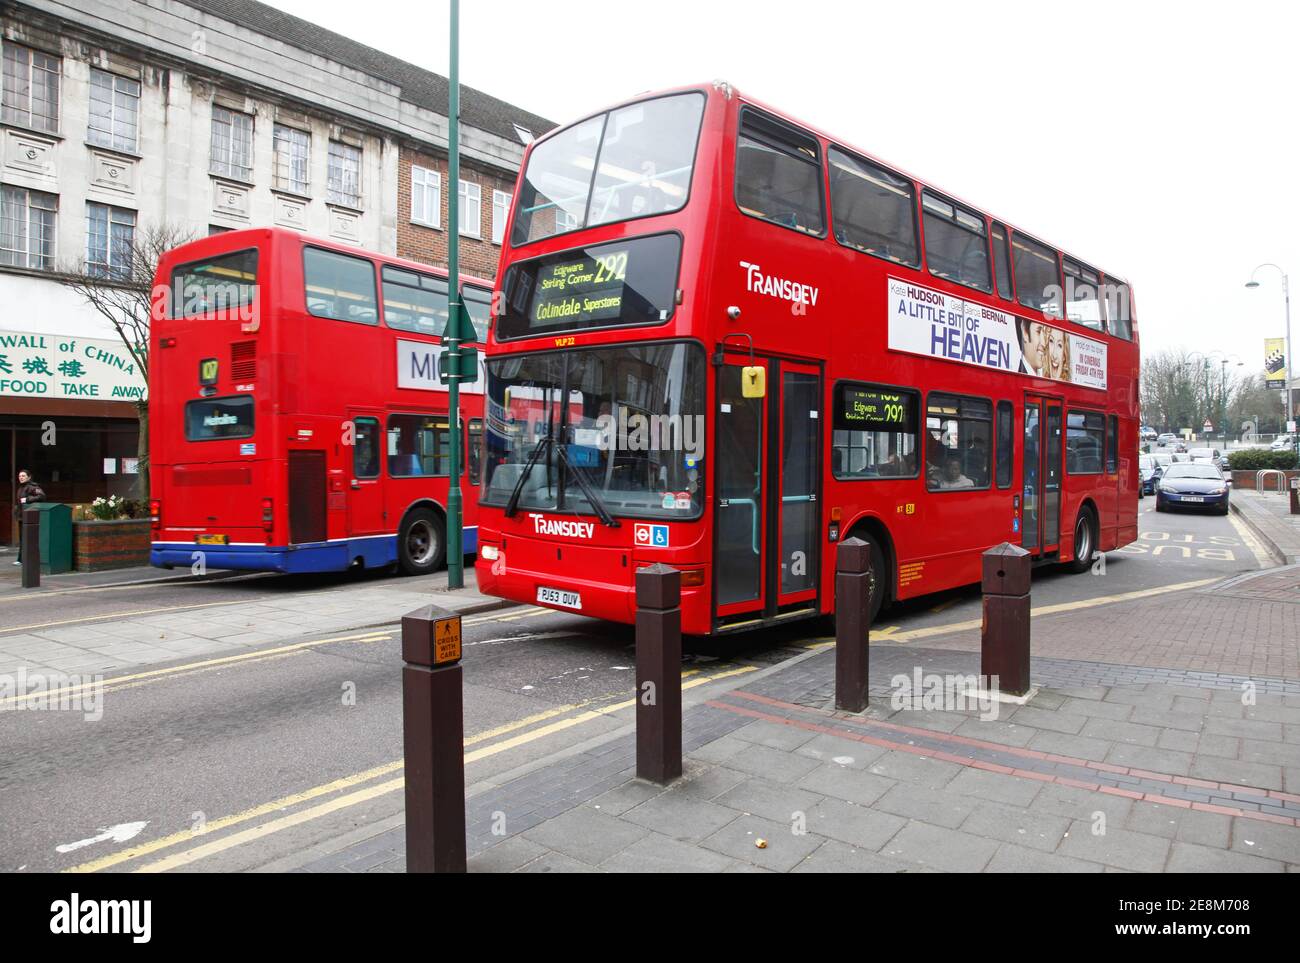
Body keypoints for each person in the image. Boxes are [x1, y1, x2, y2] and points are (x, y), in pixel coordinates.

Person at [13, 470, 45, 565]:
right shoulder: (20, 488)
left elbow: (42, 496)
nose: (21, 477)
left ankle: (24, 560)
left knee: (28, 538)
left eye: (23, 476)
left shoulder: (32, 487)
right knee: (23, 538)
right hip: (22, 516)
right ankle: (20, 559)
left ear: (29, 477)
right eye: (19, 476)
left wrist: (27, 499)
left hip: (29, 517)